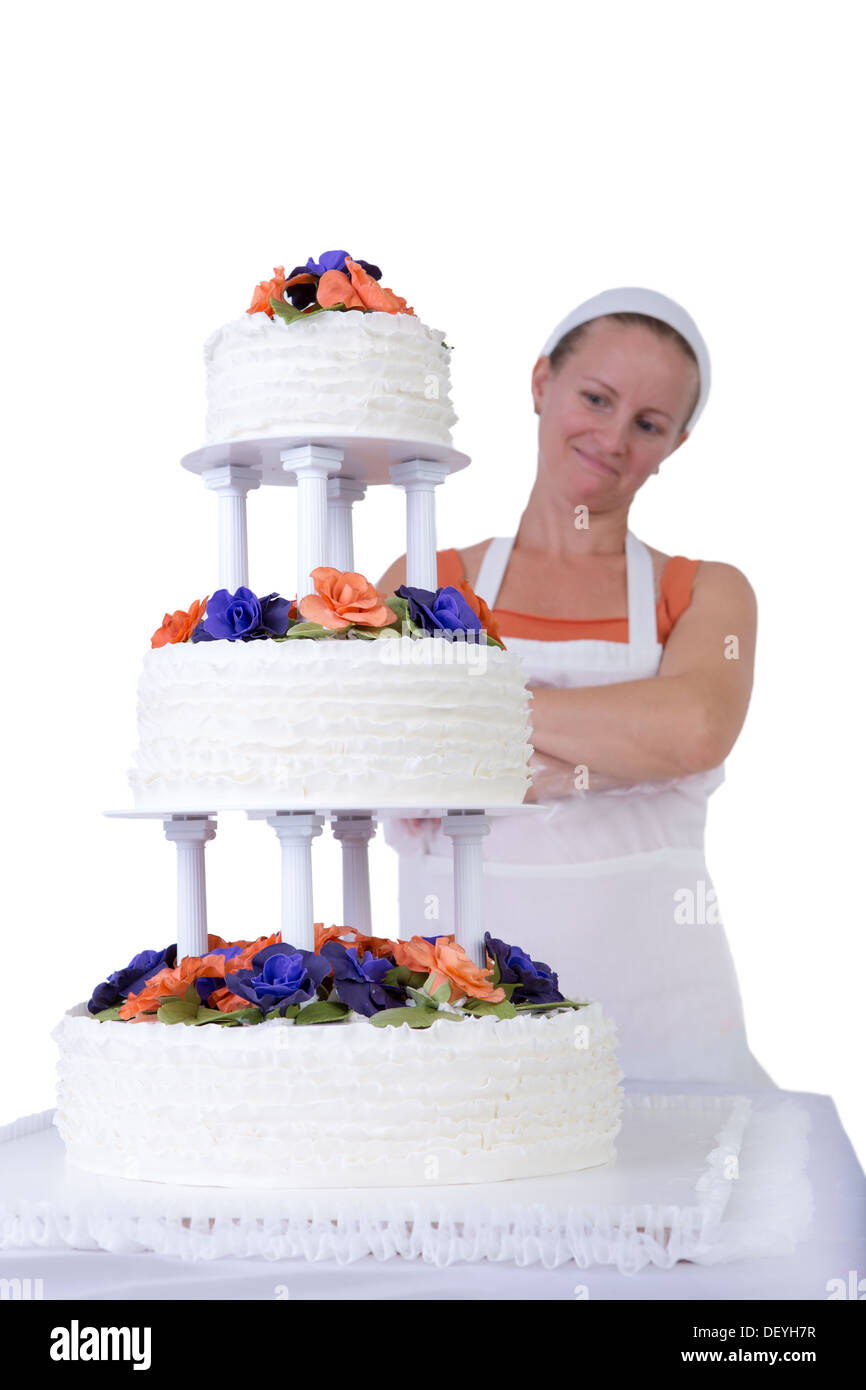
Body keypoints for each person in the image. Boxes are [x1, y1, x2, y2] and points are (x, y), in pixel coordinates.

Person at [378, 286, 774, 1086]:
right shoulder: (424, 579)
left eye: (649, 424)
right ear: (539, 383)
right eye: (595, 397)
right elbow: (387, 745)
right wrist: (604, 753)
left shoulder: (706, 592)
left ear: (676, 443)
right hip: (466, 1031)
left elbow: (693, 729)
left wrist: (475, 727)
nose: (614, 437)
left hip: (671, 1028)